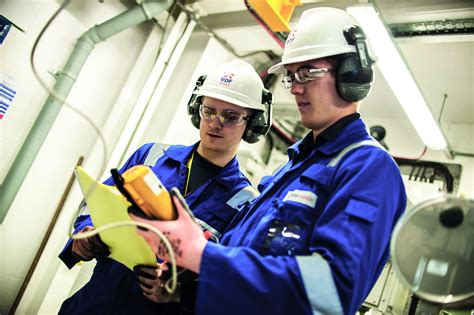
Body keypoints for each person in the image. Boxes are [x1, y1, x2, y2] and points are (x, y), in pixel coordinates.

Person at [131, 7, 407, 315]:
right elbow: (246, 263)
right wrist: (185, 292)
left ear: (351, 74)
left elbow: (330, 292)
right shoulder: (294, 167)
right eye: (291, 76)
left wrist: (201, 255)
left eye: (307, 73)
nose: (296, 88)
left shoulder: (367, 168)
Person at [58, 59, 273, 314]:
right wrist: (84, 234)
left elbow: (227, 284)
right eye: (209, 111)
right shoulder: (151, 156)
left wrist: (179, 295)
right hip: (93, 305)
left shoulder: (244, 203)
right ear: (197, 110)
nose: (215, 123)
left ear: (252, 124)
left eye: (231, 116)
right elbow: (96, 202)